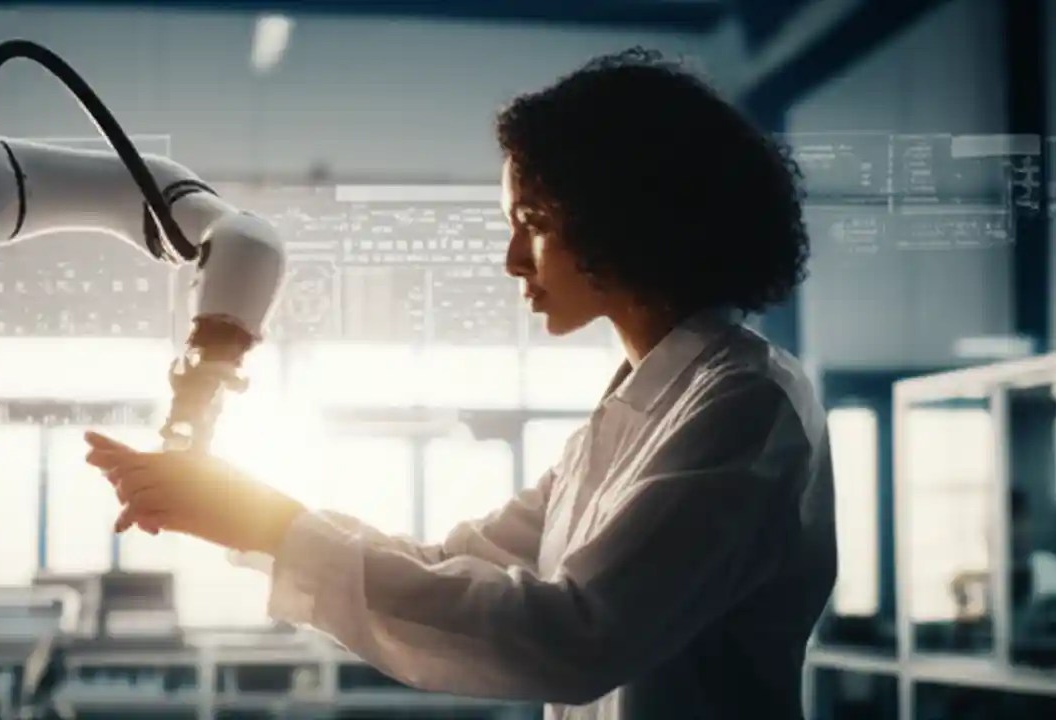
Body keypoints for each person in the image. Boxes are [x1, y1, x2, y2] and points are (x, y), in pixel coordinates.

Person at [85, 46, 837, 720]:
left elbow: (573, 636)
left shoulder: (747, 404)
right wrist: (246, 510)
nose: (513, 258)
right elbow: (455, 563)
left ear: (627, 217)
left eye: (533, 220)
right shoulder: (632, 414)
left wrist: (270, 524)